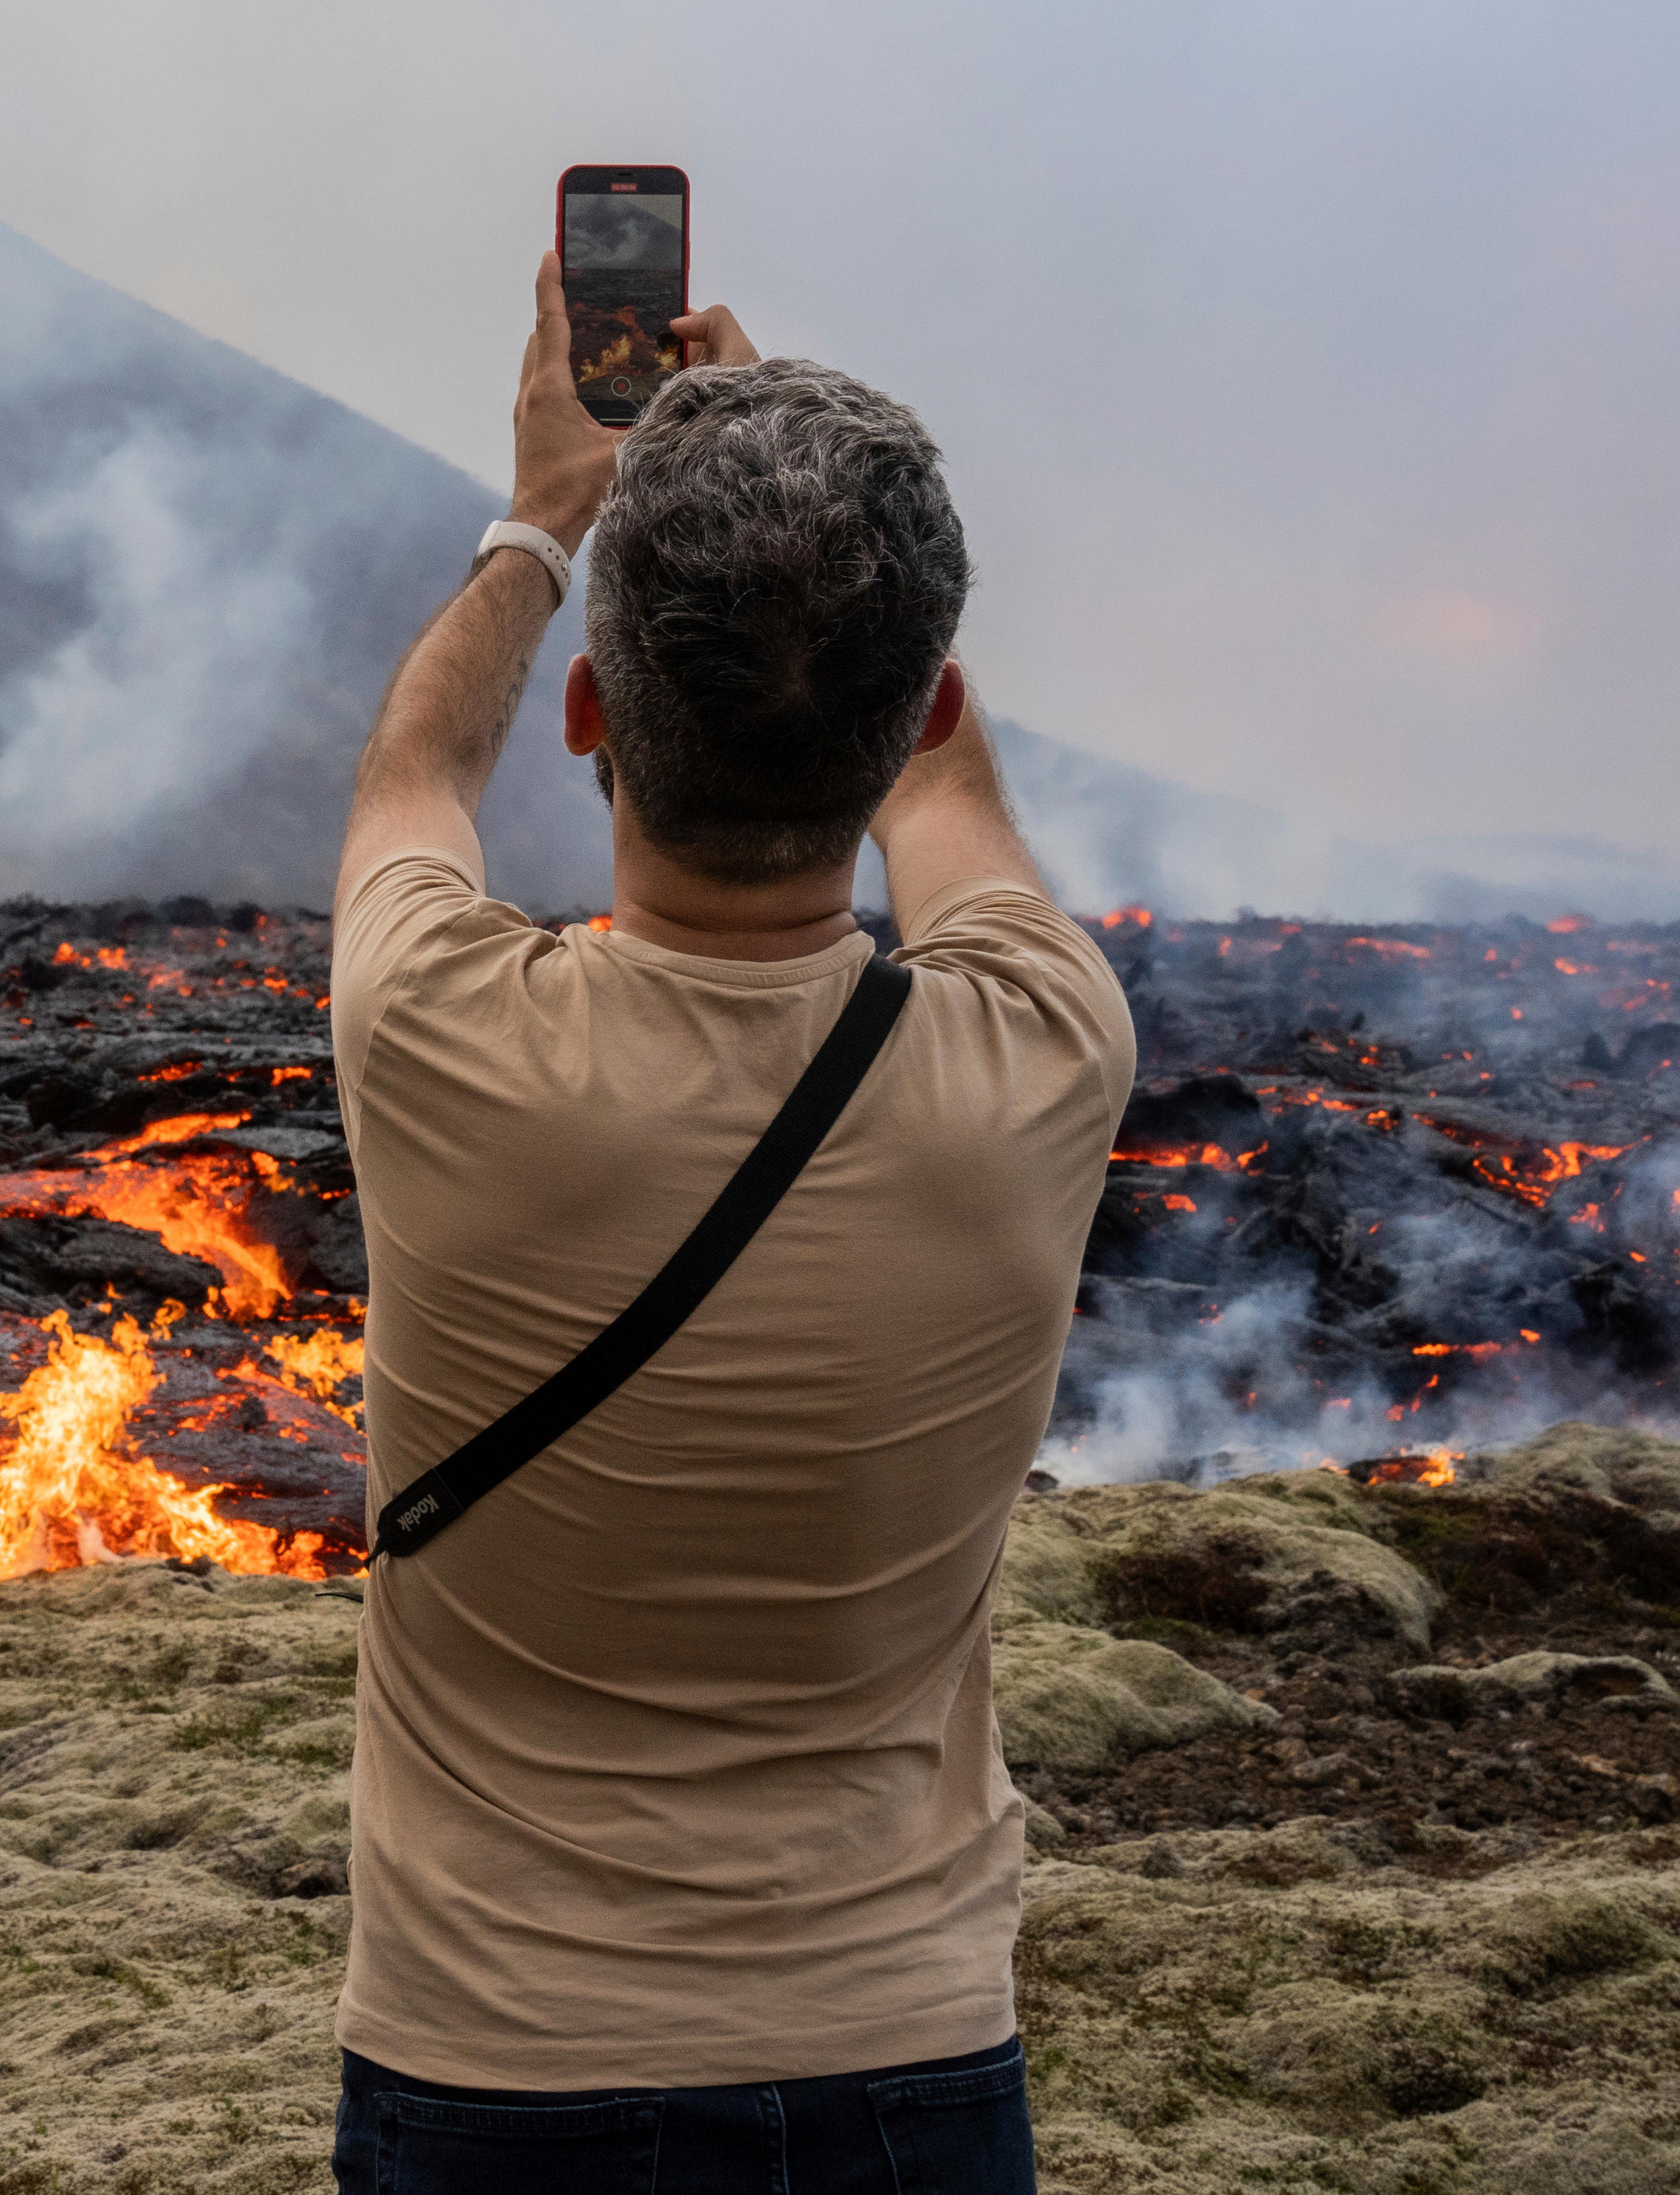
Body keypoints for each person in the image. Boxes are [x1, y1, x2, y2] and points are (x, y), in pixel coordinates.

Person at [324, 260, 1133, 2194]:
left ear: (595, 713)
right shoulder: (1042, 1045)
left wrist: (545, 518)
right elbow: (942, 788)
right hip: (912, 2071)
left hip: (493, 2070)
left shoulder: (442, 1032)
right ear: (925, 698)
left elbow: (412, 773)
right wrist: (813, 530)